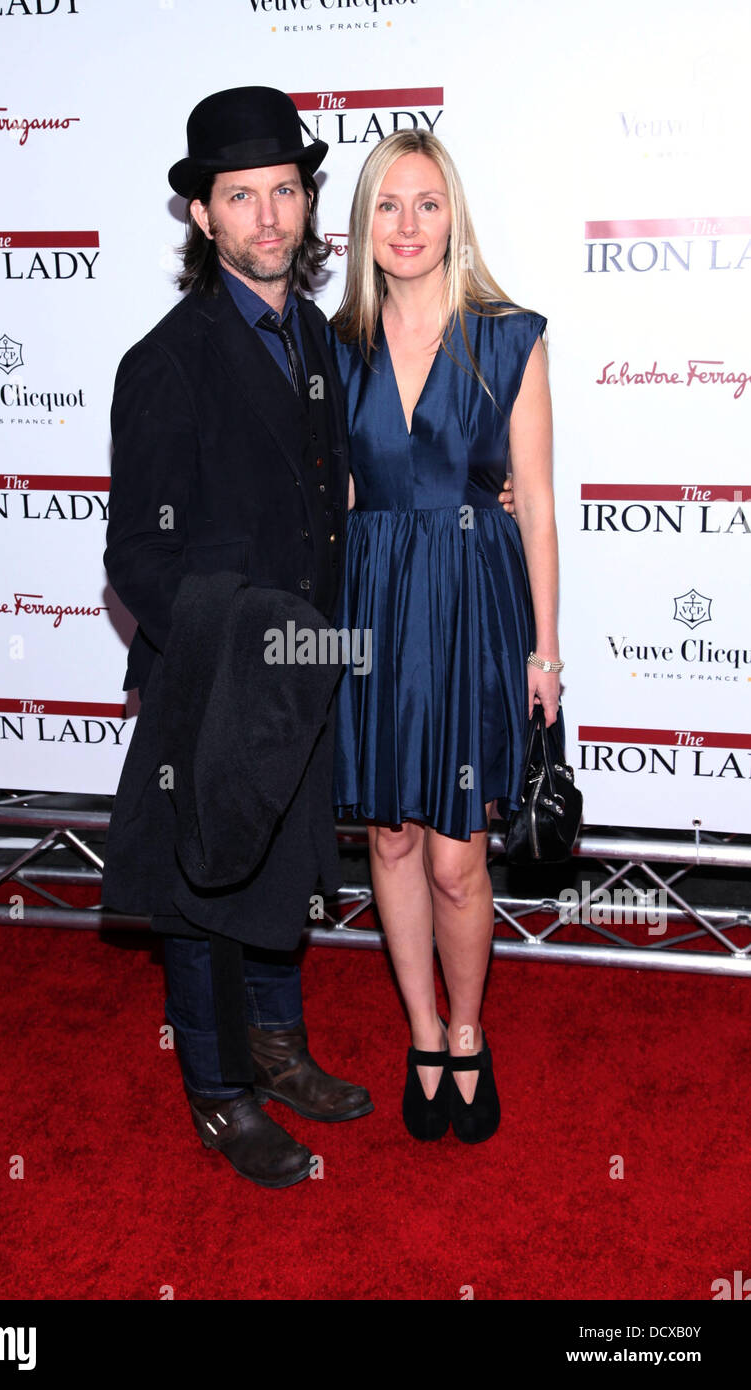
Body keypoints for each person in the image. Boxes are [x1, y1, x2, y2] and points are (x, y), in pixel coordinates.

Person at [101, 87, 374, 1191]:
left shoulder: (310, 334)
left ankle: (275, 1045)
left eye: (282, 190)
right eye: (238, 196)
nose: (266, 214)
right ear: (202, 218)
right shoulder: (164, 363)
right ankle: (217, 1093)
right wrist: (242, 646)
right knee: (205, 891)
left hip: (300, 672)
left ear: (305, 205)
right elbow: (137, 561)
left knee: (282, 864)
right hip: (215, 678)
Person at [329, 130, 562, 1145]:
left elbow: (539, 503)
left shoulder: (506, 336)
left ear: (452, 217)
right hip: (371, 605)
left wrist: (543, 652)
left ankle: (469, 1028)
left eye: (426, 204)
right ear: (363, 225)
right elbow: (331, 496)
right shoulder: (332, 344)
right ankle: (420, 1029)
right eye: (387, 205)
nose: (408, 225)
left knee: (458, 856)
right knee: (386, 835)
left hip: (471, 604)